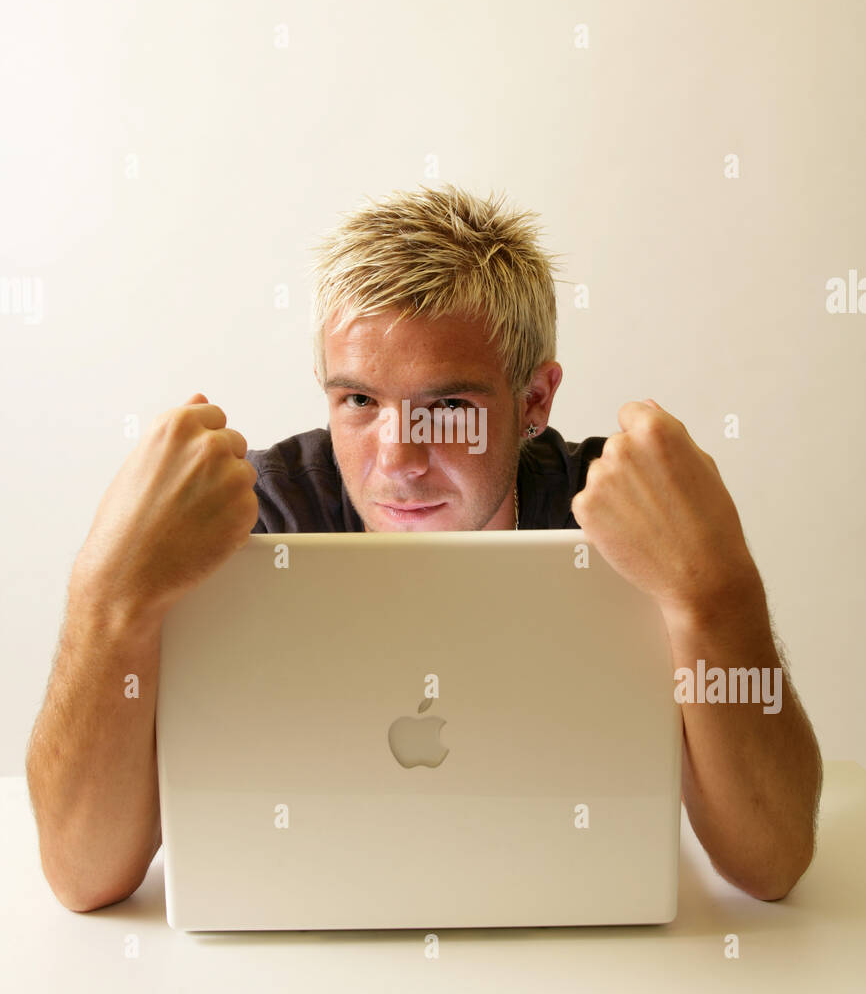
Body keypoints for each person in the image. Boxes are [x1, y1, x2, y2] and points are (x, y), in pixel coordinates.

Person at [25, 182, 822, 912]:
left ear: (534, 400)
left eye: (446, 405)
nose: (397, 459)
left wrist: (715, 590)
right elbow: (82, 876)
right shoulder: (257, 516)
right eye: (360, 401)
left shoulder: (621, 516)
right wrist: (107, 595)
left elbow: (772, 858)